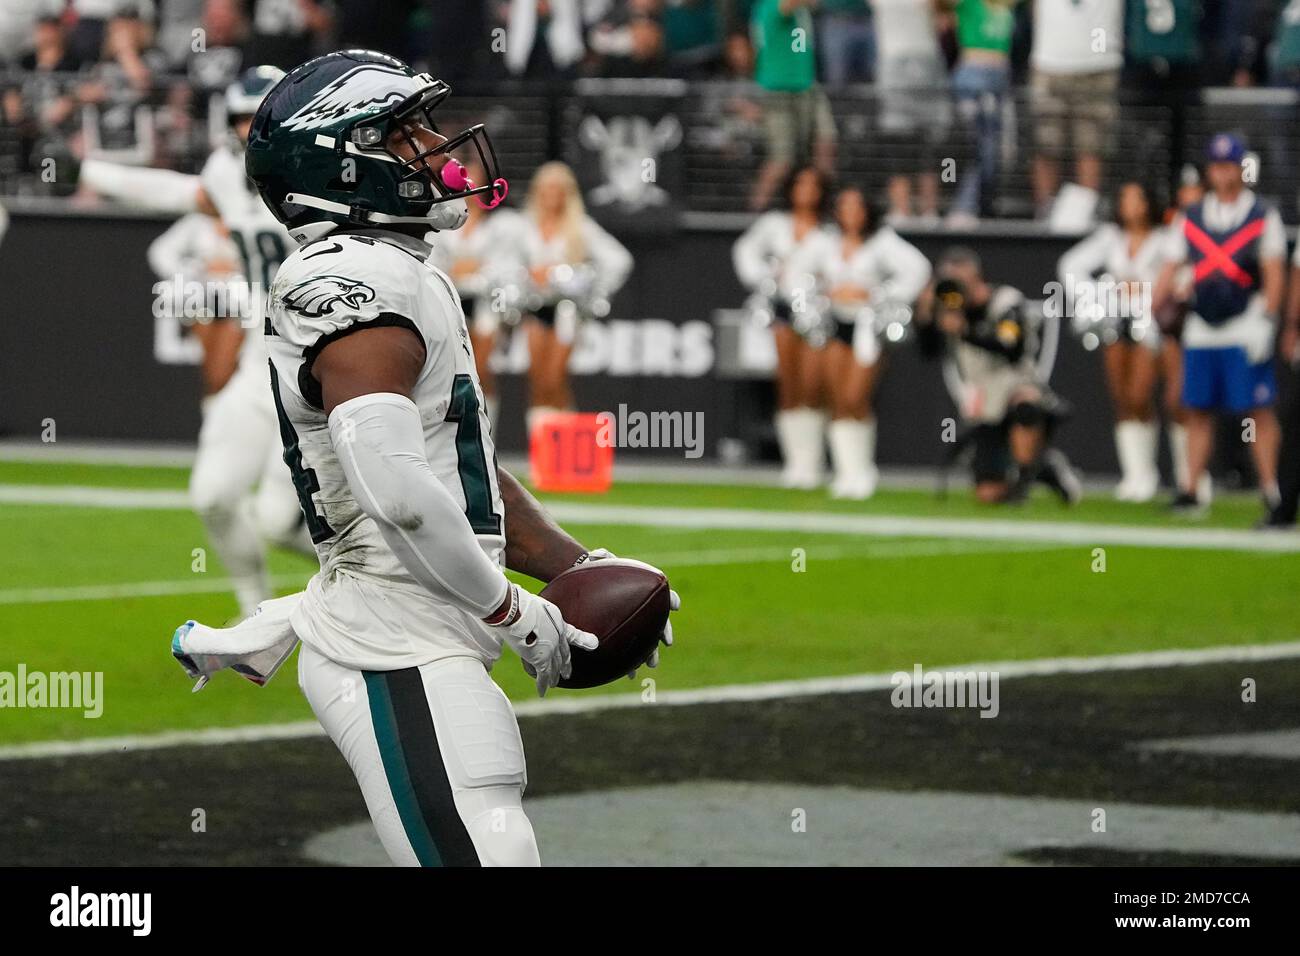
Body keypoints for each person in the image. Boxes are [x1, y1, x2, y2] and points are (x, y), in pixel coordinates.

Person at [175, 50, 676, 866]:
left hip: (423, 627)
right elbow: (398, 493)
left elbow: (457, 465)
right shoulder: (354, 280)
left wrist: (581, 566)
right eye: (404, 133)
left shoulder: (401, 268)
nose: (438, 146)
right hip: (392, 639)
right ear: (342, 164)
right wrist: (513, 614)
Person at [80, 65, 309, 618]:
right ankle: (255, 614)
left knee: (279, 521)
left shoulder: (319, 173)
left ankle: (378, 588)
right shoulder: (229, 173)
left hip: (316, 368)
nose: (248, 130)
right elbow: (183, 193)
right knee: (212, 495)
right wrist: (94, 172)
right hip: (261, 362)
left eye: (259, 116)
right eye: (240, 119)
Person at [1153, 133, 1285, 519]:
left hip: (1244, 321)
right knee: (1196, 408)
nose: (1223, 173)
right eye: (1217, 166)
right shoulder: (1191, 217)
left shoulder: (1262, 215)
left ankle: (1270, 488)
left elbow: (1273, 272)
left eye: (1230, 166)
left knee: (1257, 410)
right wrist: (1153, 307)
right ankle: (1192, 489)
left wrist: (1267, 320)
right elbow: (1170, 267)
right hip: (1202, 322)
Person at [785, 185, 931, 498]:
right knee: (835, 397)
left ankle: (863, 470)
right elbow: (794, 273)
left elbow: (918, 269)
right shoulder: (824, 241)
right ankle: (845, 472)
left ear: (867, 210)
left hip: (867, 326)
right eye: (845, 206)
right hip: (834, 323)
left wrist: (878, 295)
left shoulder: (883, 241)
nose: (850, 213)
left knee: (855, 397)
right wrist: (818, 296)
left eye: (857, 206)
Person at [917, 247, 1082, 504]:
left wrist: (965, 331)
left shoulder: (1006, 301)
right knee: (988, 494)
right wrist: (926, 313)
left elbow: (1010, 347)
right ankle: (1044, 466)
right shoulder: (949, 307)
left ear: (975, 276)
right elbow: (926, 351)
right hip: (982, 396)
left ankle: (1026, 476)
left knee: (1025, 406)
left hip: (1014, 381)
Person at [1057, 181, 1167, 501]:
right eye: (1125, 198)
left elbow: (1176, 275)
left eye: (1136, 199)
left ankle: (1148, 472)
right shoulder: (1110, 237)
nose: (1129, 206)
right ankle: (1133, 475)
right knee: (1120, 395)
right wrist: (1102, 297)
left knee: (1139, 394)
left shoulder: (1164, 238)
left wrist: (1145, 293)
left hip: (1151, 322)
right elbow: (1070, 266)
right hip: (1115, 320)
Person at [732, 163, 831, 488]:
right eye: (800, 184)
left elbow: (840, 268)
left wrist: (826, 284)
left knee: (812, 386)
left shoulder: (828, 232)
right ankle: (796, 463)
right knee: (788, 385)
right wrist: (763, 277)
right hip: (782, 309)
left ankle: (814, 461)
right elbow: (744, 250)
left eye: (813, 185)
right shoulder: (774, 224)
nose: (806, 191)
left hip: (817, 314)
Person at [516, 161, 632, 435]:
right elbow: (504, 263)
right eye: (546, 188)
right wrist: (526, 276)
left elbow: (619, 261)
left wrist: (568, 277)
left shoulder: (581, 226)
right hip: (534, 307)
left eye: (558, 189)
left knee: (556, 378)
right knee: (537, 379)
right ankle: (541, 448)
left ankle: (563, 445)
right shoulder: (523, 226)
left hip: (566, 309)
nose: (551, 195)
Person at [426, 158, 525, 436]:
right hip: (449, 299)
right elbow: (430, 261)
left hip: (485, 302)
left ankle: (486, 434)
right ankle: (453, 433)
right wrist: (456, 269)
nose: (470, 185)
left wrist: (480, 268)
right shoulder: (441, 220)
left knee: (481, 368)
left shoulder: (505, 224)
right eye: (464, 178)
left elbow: (511, 267)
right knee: (449, 369)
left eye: (476, 180)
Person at [1028, 0, 1123, 224]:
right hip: (1050, 59)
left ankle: (1085, 211)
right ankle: (1045, 211)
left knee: (1091, 145)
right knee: (1045, 144)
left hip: (1098, 60)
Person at [749, 0, 837, 210]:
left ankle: (824, 212)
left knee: (826, 144)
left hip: (808, 88)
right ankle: (752, 215)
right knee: (782, 161)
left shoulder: (801, 12)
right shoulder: (769, 6)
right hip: (779, 91)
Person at [944, 0, 1015, 226]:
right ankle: (963, 206)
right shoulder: (969, 3)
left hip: (1000, 78)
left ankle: (984, 205)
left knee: (995, 151)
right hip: (972, 75)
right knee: (971, 145)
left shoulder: (1006, 5)